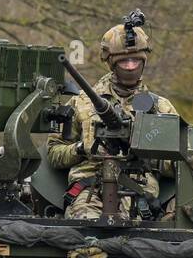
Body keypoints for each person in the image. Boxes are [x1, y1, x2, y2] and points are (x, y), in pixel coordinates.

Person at [46, 19, 176, 219]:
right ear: (111, 63)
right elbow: (53, 154)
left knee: (128, 234)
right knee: (86, 230)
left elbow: (179, 164)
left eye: (135, 61)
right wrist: (81, 148)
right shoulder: (81, 103)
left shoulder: (161, 108)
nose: (130, 66)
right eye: (124, 62)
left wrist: (143, 149)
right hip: (89, 189)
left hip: (138, 191)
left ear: (144, 61)